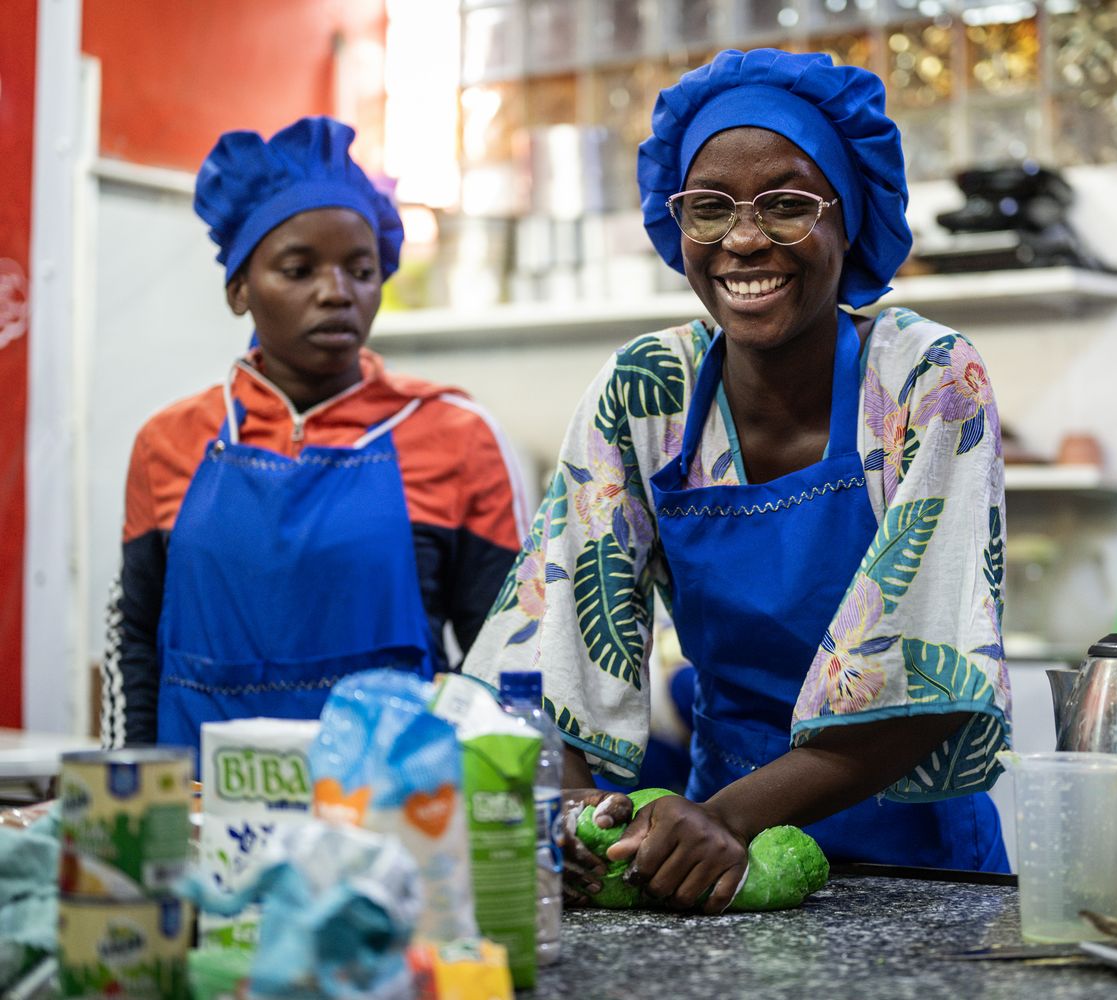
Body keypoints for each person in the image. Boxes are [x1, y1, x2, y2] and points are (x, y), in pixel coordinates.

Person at [465, 48, 1011, 911]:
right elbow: (548, 649)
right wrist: (569, 816)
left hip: (912, 859)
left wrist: (722, 819)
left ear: (849, 217)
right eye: (709, 208)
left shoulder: (925, 380)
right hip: (712, 870)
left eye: (788, 204)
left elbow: (931, 671)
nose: (744, 238)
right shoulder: (646, 393)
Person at [104, 117, 530, 748]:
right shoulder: (169, 442)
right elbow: (134, 643)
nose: (337, 293)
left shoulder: (455, 436)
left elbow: (505, 655)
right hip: (199, 806)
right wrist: (132, 793)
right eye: (299, 270)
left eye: (360, 271)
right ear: (239, 289)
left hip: (393, 809)